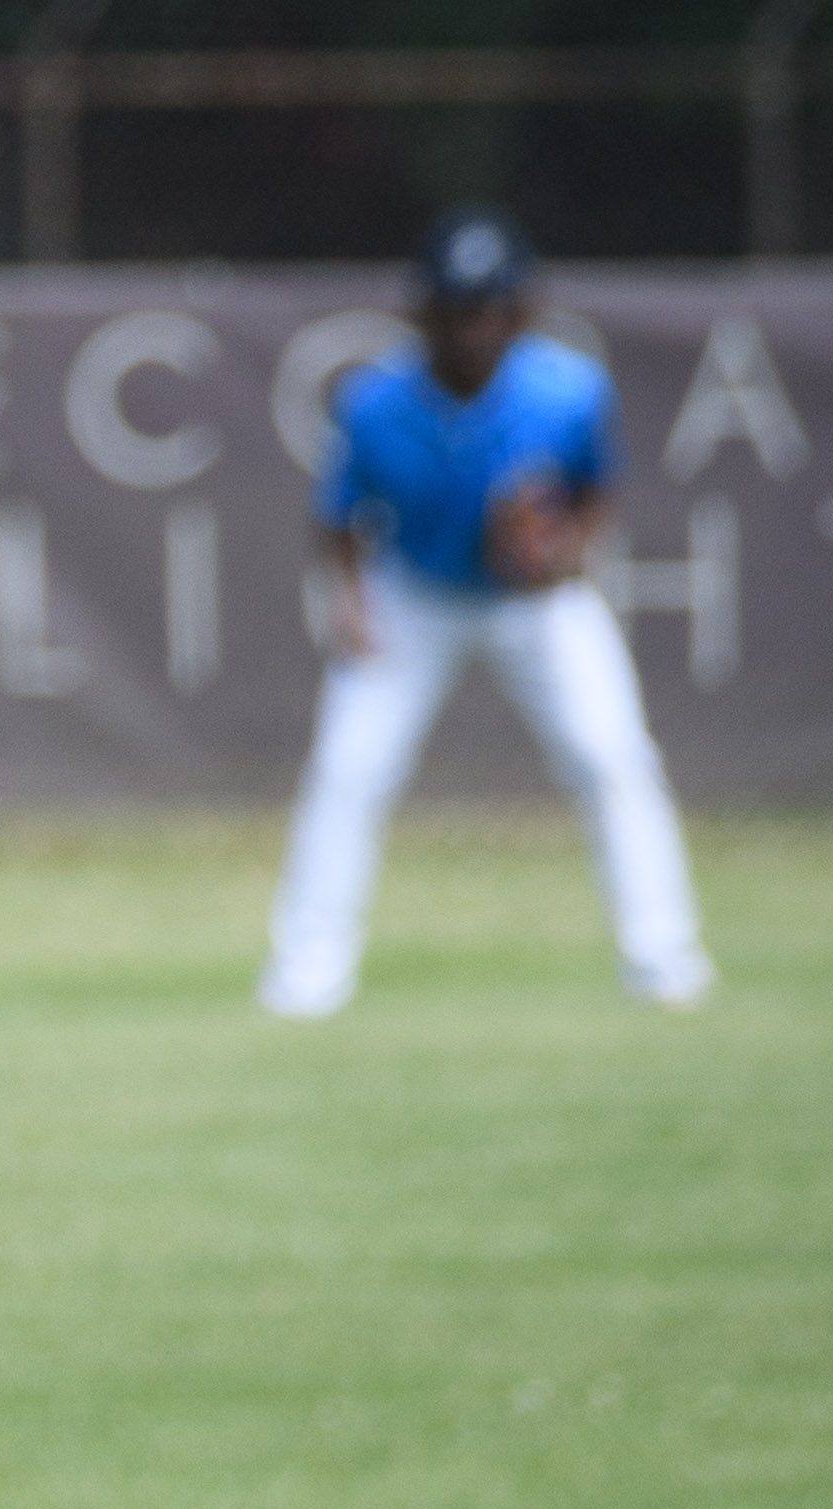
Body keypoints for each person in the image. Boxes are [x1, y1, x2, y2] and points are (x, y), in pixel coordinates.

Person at [258, 207, 714, 1020]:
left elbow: (593, 496)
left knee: (612, 757)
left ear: (520, 310)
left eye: (490, 305)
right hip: (416, 594)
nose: (474, 325)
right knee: (347, 771)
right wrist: (350, 607)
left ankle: (663, 958)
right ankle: (307, 976)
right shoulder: (375, 401)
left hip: (536, 605)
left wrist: (565, 551)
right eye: (457, 306)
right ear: (424, 311)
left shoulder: (567, 390)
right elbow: (337, 519)